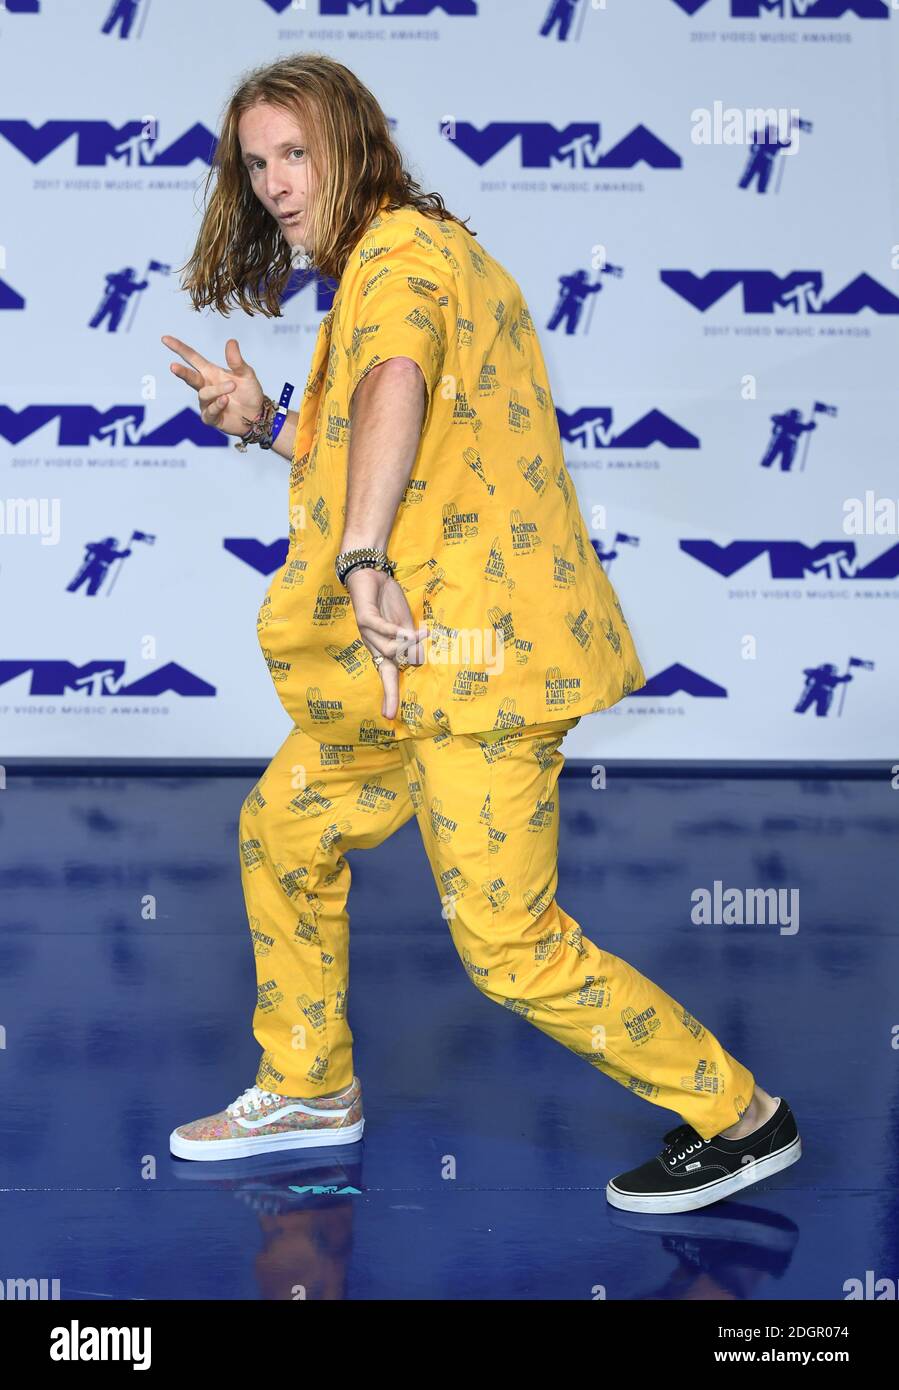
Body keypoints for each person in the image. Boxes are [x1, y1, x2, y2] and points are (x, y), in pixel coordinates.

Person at [162, 54, 800, 1214]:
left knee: (506, 943)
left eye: (294, 155)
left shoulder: (400, 257)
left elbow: (399, 381)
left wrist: (358, 559)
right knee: (281, 829)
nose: (275, 187)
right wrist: (269, 426)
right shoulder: (390, 259)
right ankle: (307, 1083)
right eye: (256, 167)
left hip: (471, 665)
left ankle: (739, 1115)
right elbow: (390, 438)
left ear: (351, 143)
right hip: (401, 669)